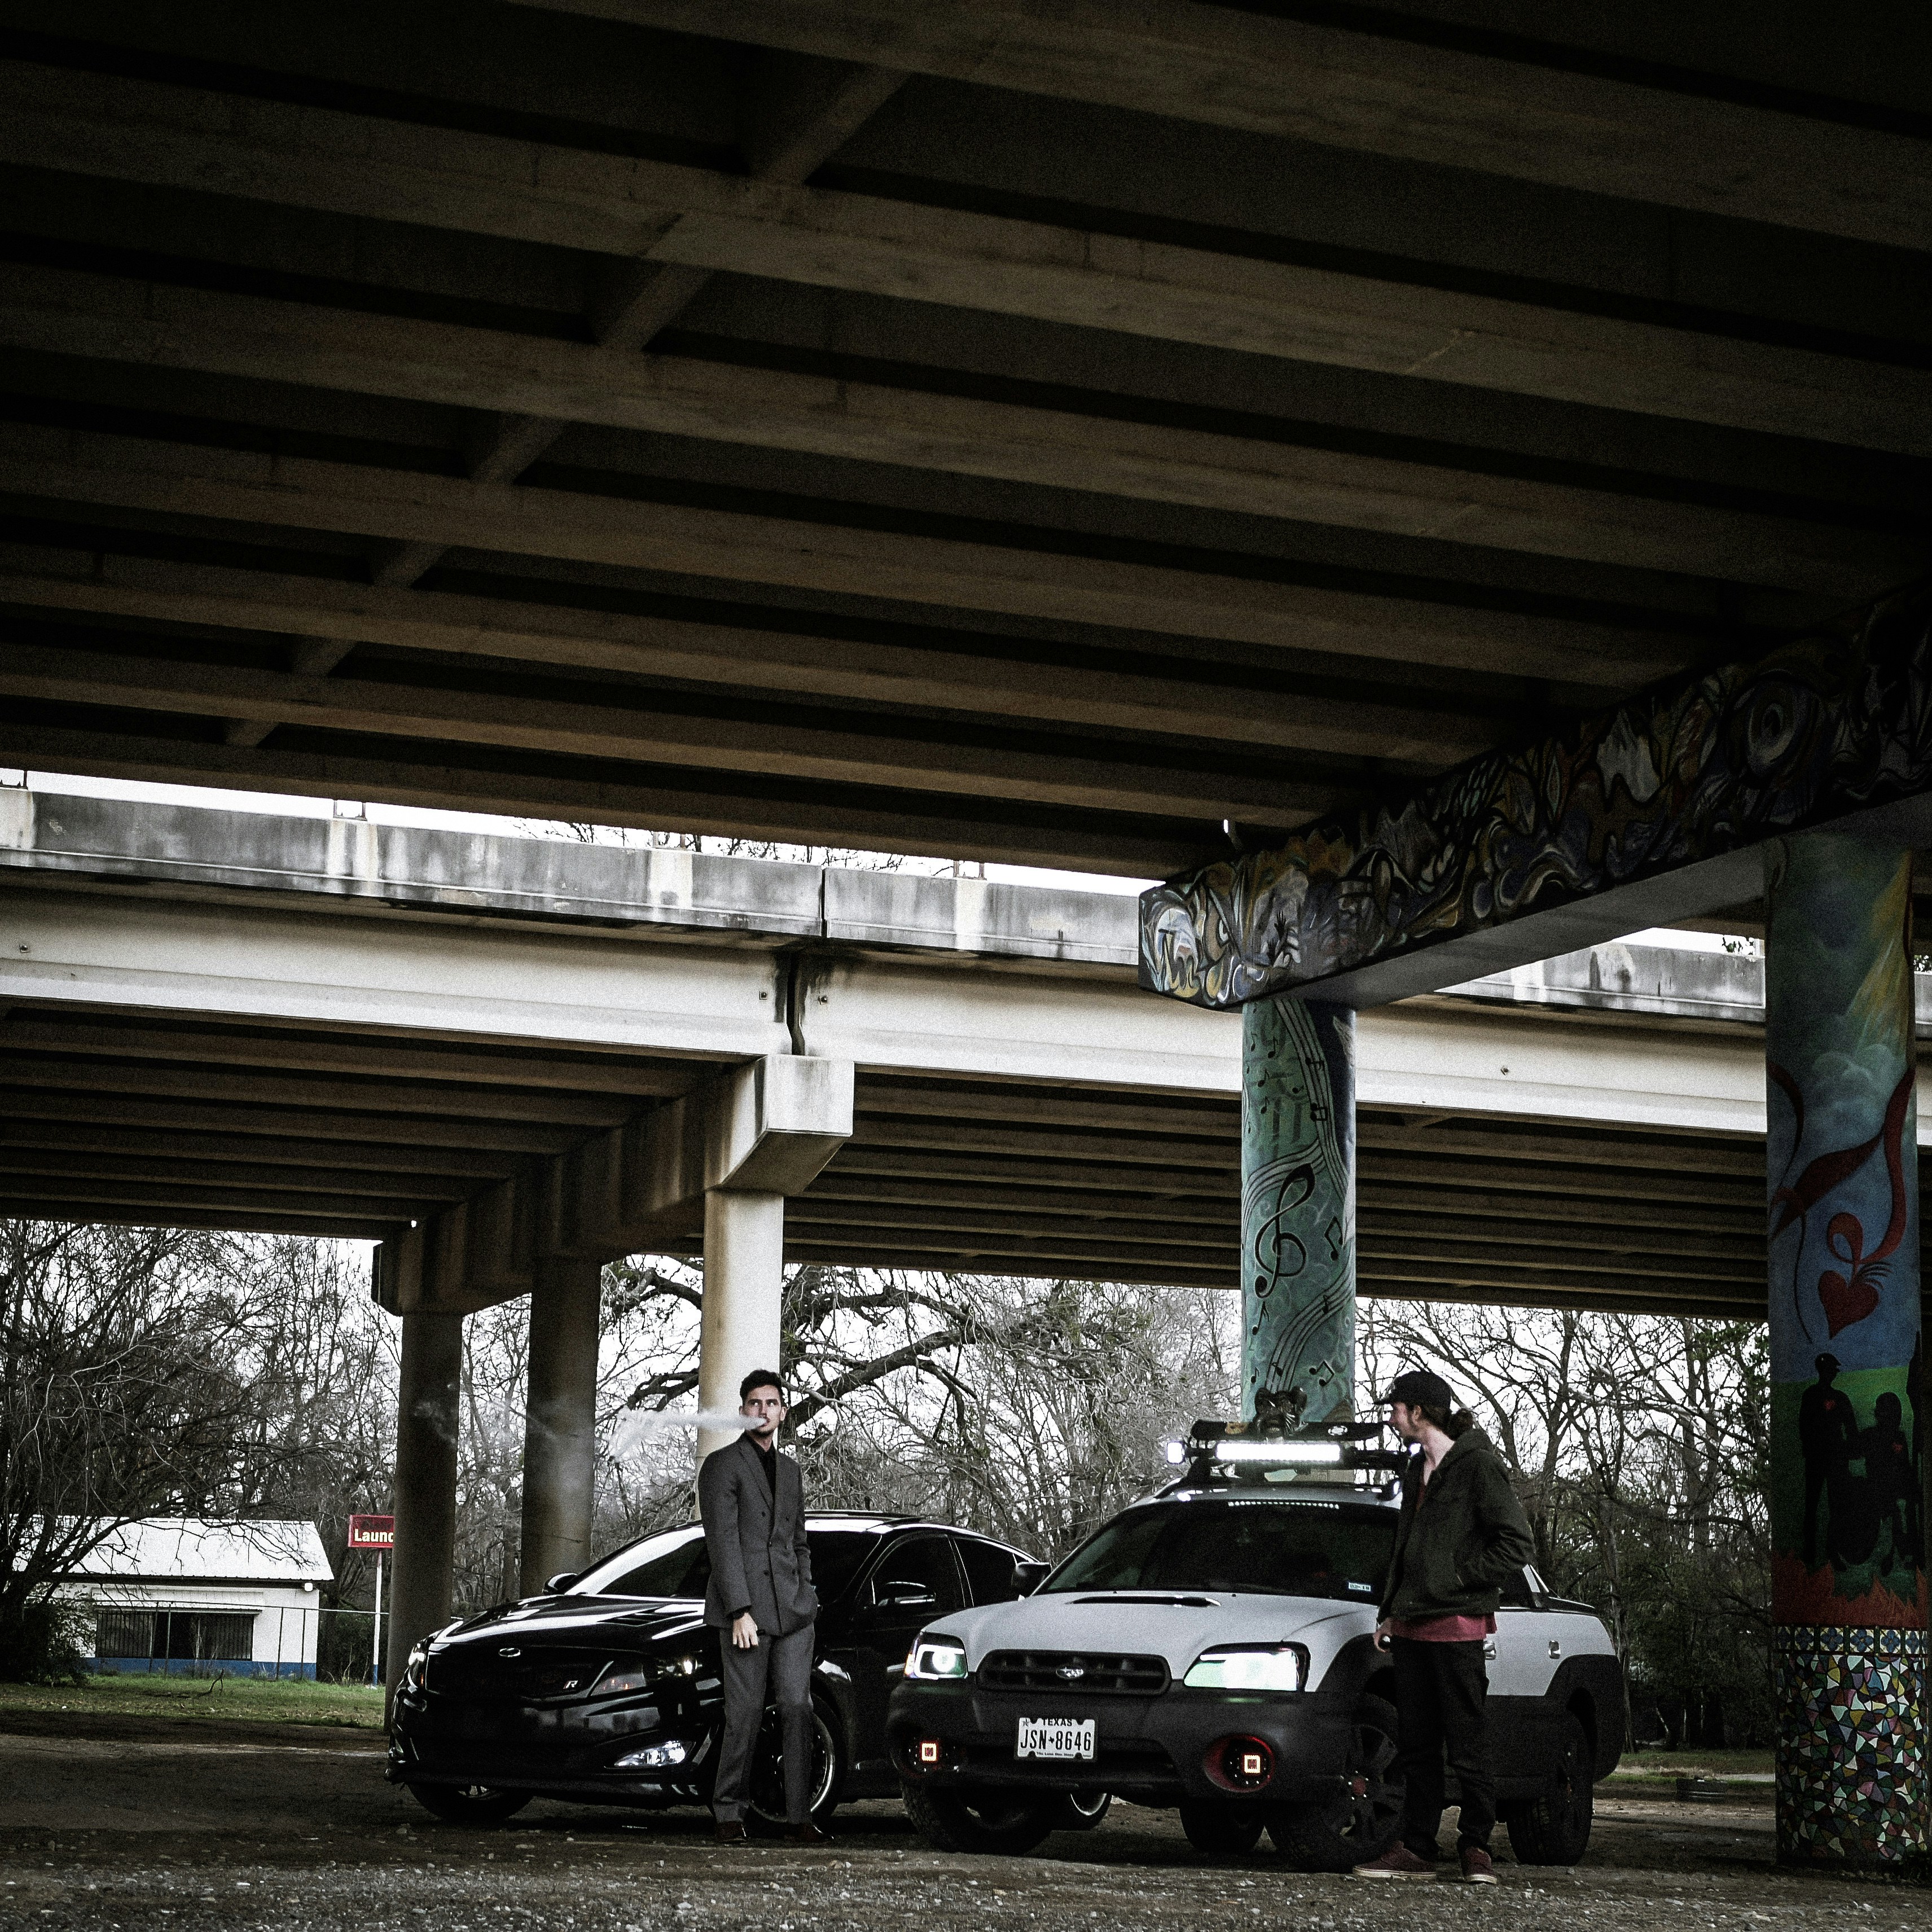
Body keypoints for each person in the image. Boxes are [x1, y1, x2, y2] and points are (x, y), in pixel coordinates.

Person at [1351, 1368, 1536, 1886]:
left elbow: (1516, 1543)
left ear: (1420, 1411)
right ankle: (1416, 1846)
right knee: (1417, 1746)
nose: (1391, 1416)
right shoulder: (1416, 1470)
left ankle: (1477, 1848)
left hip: (1457, 1628)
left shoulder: (1477, 1466)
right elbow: (1406, 1546)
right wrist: (1390, 1610)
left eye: (1397, 1408)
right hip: (1411, 1629)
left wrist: (1459, 1578)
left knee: (1468, 1742)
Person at [699, 1369, 821, 1845]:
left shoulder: (791, 1471)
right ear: (743, 1410)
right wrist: (738, 1611)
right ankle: (729, 1810)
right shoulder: (722, 1466)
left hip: (794, 1613)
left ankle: (799, 1817)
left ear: (783, 1412)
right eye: (754, 1403)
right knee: (744, 1714)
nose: (763, 1411)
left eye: (772, 1403)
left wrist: (806, 1593)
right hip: (746, 1614)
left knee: (796, 1707)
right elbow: (722, 1544)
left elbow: (799, 1542)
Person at [1798, 1353, 1859, 1569]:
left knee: (1833, 1506)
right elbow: (1805, 1429)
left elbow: (1851, 1430)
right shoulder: (1818, 1397)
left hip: (1831, 1459)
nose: (1834, 1373)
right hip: (1823, 1459)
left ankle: (1822, 1553)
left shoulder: (1828, 1397)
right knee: (1818, 1506)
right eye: (1832, 1369)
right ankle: (1814, 1553)